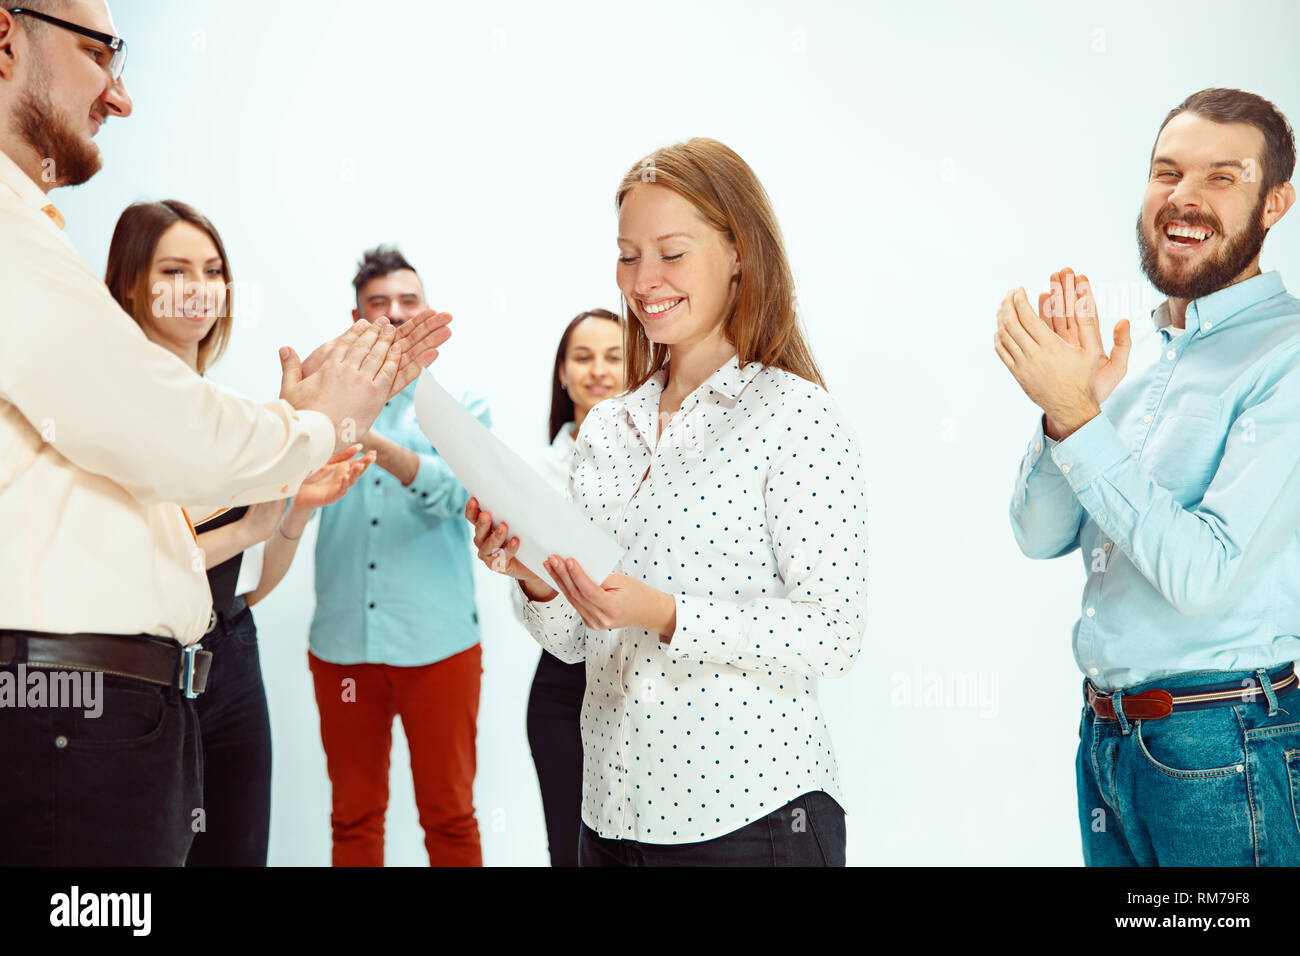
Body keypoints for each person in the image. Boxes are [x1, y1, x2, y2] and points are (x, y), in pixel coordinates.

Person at [0, 0, 450, 866]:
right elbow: (168, 430)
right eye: (101, 55)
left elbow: (201, 540)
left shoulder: (170, 406)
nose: (120, 97)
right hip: (74, 708)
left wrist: (291, 471)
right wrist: (319, 420)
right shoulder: (36, 267)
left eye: (212, 270)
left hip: (150, 692)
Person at [468, 138, 867, 866]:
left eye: (670, 252)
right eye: (627, 254)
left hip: (752, 820)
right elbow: (576, 640)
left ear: (738, 253)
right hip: (612, 821)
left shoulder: (796, 417)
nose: (643, 278)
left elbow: (833, 632)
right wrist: (531, 572)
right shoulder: (608, 428)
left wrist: (665, 612)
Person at [996, 88, 1300, 866]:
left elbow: (1202, 575)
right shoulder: (1140, 359)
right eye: (1167, 172)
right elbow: (1038, 535)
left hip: (1222, 746)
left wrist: (1082, 417)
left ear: (1276, 203)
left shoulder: (1288, 358)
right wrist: (1072, 411)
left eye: (1220, 177)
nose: (1183, 197)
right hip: (1107, 743)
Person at [104, 199, 379, 866]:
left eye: (213, 269)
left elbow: (252, 584)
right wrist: (265, 493)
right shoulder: (104, 409)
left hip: (229, 657)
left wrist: (295, 508)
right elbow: (130, 560)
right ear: (131, 283)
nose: (200, 287)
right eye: (175, 269)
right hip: (140, 668)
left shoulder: (232, 417)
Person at [308, 246, 491, 867]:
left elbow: (463, 495)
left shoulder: (459, 403)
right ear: (355, 317)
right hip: (343, 647)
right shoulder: (319, 405)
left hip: (438, 646)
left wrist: (372, 438)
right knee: (353, 820)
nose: (393, 314)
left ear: (425, 312)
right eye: (377, 303)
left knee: (450, 817)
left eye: (408, 302)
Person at [510, 308, 624, 867]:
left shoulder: (667, 463)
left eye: (614, 356)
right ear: (562, 372)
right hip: (562, 686)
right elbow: (528, 594)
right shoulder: (531, 473)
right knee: (571, 850)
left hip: (641, 682)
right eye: (583, 357)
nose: (598, 370)